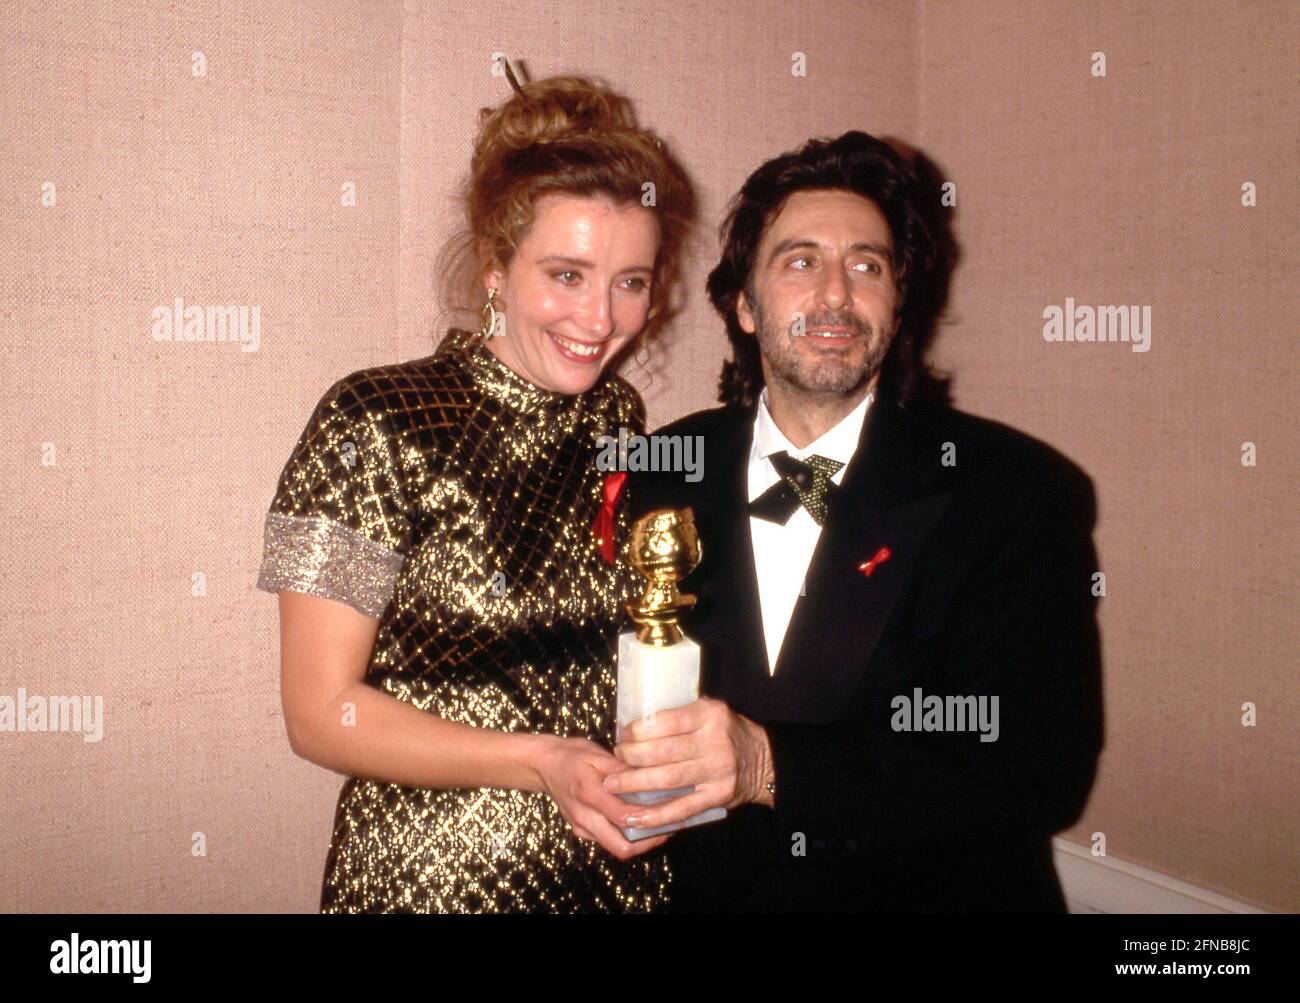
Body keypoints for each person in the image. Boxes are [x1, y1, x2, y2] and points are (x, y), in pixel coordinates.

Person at [615, 130, 1104, 912]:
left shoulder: (1015, 492)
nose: (836, 295)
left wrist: (767, 765)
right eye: (800, 260)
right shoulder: (659, 468)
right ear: (744, 303)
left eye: (867, 266)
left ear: (898, 302)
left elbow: (1039, 769)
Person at [254, 66, 693, 912]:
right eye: (567, 274)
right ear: (495, 267)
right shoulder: (372, 420)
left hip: (613, 875)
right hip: (433, 883)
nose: (600, 320)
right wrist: (540, 759)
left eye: (630, 282)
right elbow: (318, 714)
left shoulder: (619, 421)